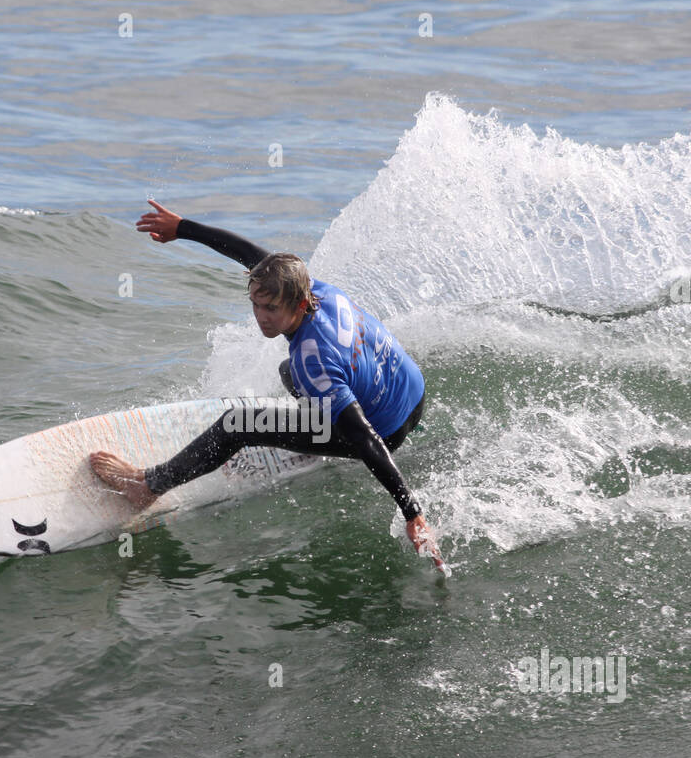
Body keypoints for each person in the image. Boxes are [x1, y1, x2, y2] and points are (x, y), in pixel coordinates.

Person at [89, 199, 444, 568]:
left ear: (299, 304)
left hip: (385, 431)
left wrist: (412, 513)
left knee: (237, 425)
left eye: (271, 309)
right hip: (412, 393)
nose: (261, 317)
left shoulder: (315, 360)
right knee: (288, 372)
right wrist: (182, 228)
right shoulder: (317, 290)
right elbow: (249, 253)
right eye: (257, 305)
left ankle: (147, 486)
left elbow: (366, 439)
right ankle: (314, 435)